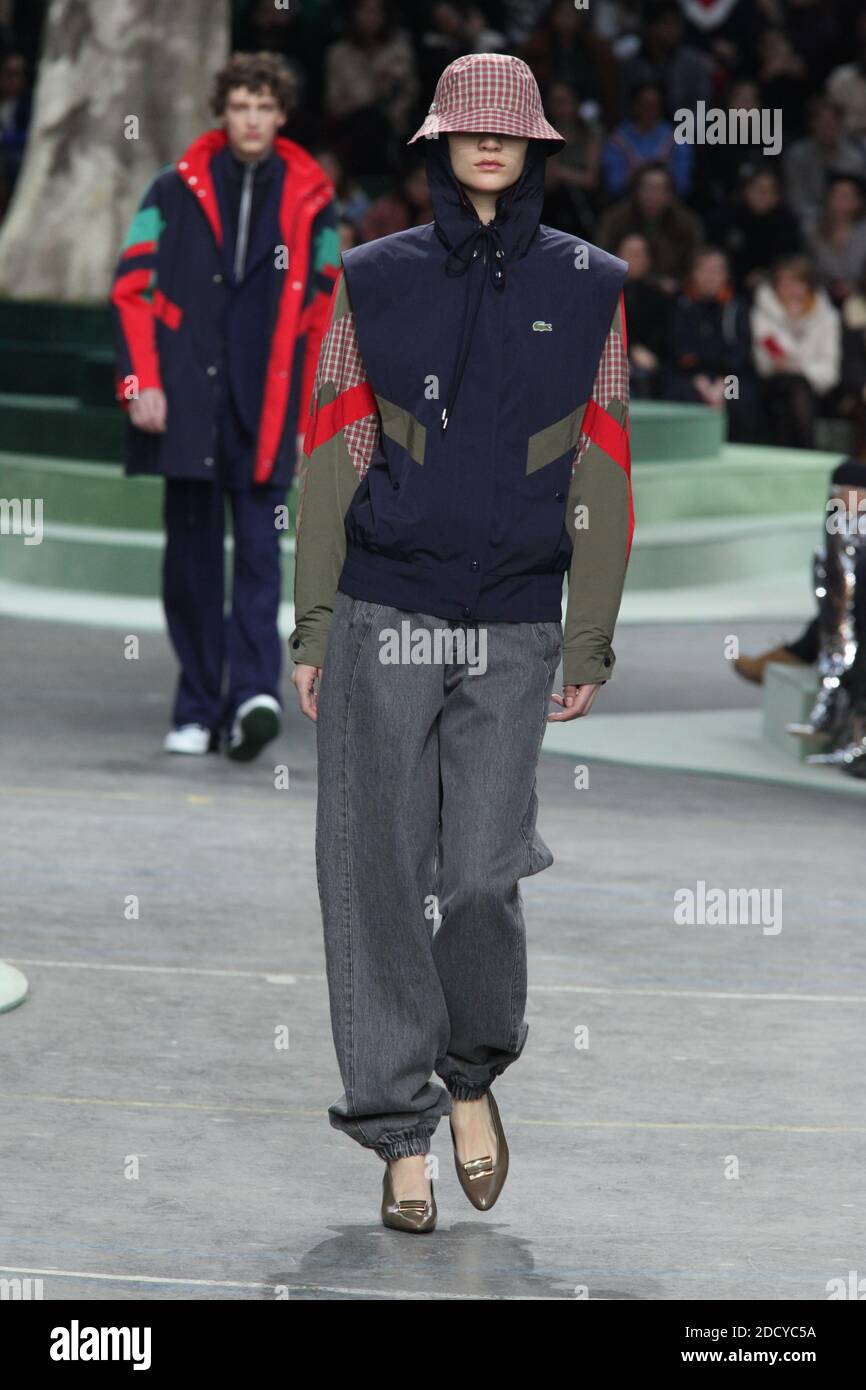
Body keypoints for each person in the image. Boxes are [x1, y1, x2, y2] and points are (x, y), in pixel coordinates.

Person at [289, 53, 632, 1233]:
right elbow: (332, 445)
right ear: (437, 143)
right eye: (467, 133)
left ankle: (472, 1071)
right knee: (373, 866)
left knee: (481, 874)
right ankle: (396, 1130)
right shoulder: (372, 279)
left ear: (534, 147)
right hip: (386, 603)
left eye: (509, 134)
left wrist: (587, 634)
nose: (488, 149)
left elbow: (603, 460)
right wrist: (317, 618)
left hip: (519, 616)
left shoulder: (591, 282)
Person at [111, 52, 339, 759]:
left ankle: (252, 698)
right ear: (223, 109)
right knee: (190, 563)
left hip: (268, 409)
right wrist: (139, 383)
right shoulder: (172, 188)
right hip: (185, 403)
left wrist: (312, 418)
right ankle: (198, 706)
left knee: (262, 558)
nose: (251, 118)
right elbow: (131, 288)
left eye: (264, 107)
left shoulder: (311, 196)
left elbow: (324, 313)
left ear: (281, 115)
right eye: (240, 105)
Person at [661, 246, 759, 442]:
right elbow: (679, 347)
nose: (711, 276)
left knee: (740, 396)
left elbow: (741, 351)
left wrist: (722, 384)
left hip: (728, 377)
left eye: (717, 270)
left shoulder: (737, 306)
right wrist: (700, 380)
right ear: (694, 273)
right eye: (705, 270)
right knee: (680, 392)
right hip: (691, 374)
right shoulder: (681, 303)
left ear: (726, 275)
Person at [750, 254, 841, 449]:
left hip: (816, 386)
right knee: (786, 392)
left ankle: (802, 455)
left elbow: (830, 368)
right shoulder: (763, 312)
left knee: (799, 390)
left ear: (809, 286)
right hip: (772, 383)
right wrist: (790, 322)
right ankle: (805, 452)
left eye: (797, 283)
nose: (791, 290)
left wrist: (800, 368)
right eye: (784, 283)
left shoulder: (827, 316)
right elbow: (769, 359)